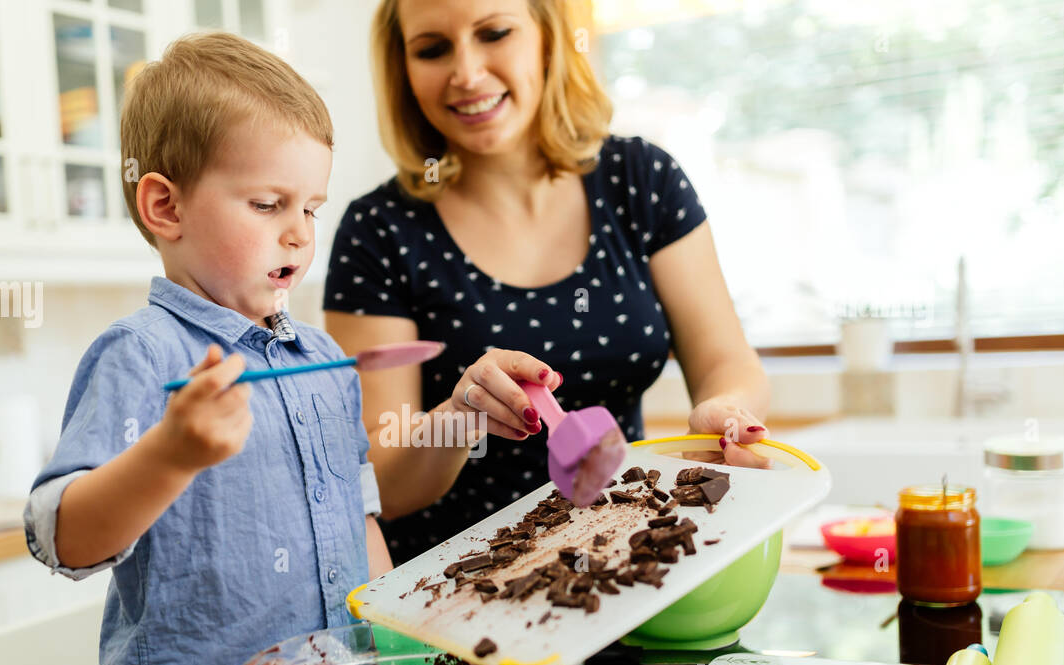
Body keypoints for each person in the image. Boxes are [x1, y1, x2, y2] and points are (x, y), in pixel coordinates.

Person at [23, 32, 392, 665]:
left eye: (311, 208)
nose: (299, 232)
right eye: (268, 205)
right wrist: (170, 455)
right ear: (165, 205)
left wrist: (398, 652)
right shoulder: (139, 354)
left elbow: (358, 517)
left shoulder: (321, 358)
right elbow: (62, 538)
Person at [324, 0, 771, 565]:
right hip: (451, 599)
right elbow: (380, 482)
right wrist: (461, 417)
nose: (466, 73)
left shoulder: (641, 181)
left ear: (547, 37)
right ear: (403, 70)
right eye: (432, 49)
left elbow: (725, 361)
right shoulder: (379, 231)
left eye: (494, 33)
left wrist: (727, 411)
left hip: (630, 563)